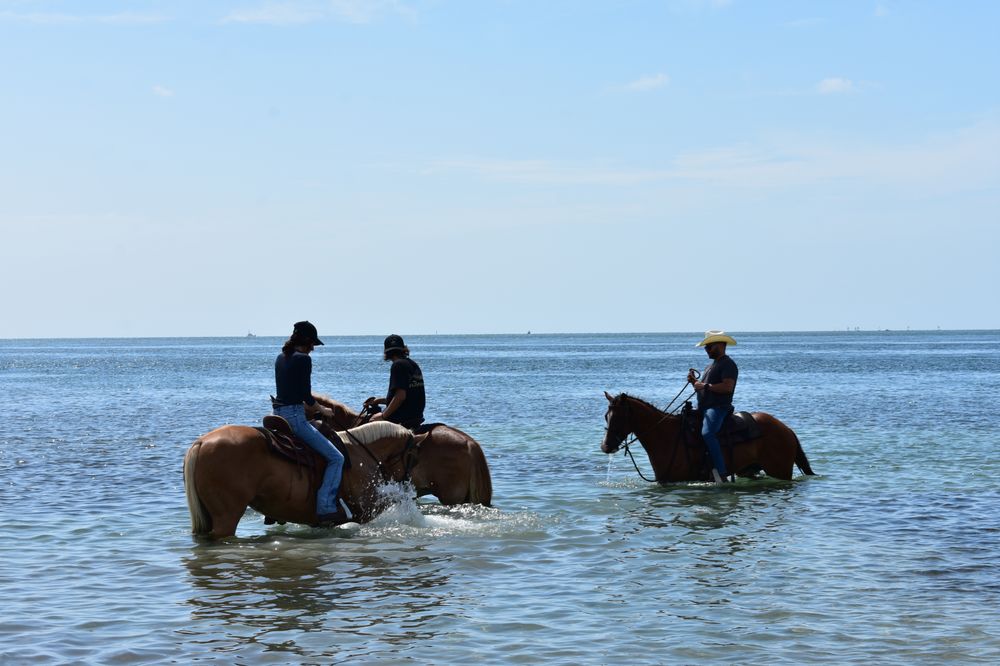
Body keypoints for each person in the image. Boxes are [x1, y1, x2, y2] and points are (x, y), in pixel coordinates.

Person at [271, 321, 350, 525]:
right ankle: (325, 507)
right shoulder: (304, 360)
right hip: (295, 418)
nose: (314, 348)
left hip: (276, 415)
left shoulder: (281, 357)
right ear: (306, 342)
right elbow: (306, 395)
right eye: (313, 344)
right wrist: (322, 410)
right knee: (336, 458)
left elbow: (290, 392)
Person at [687, 330, 739, 484]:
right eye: (706, 347)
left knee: (708, 433)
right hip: (704, 408)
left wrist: (704, 386)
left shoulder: (728, 364)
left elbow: (728, 387)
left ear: (721, 345)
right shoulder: (711, 366)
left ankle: (722, 473)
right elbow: (704, 387)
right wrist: (694, 382)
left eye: (709, 346)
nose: (707, 350)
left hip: (718, 407)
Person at [364, 334, 426, 429]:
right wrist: (379, 401)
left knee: (369, 423)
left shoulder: (397, 365)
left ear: (386, 352)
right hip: (416, 416)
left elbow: (400, 397)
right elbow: (409, 397)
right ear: (403, 349)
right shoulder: (413, 364)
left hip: (402, 419)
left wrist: (383, 416)